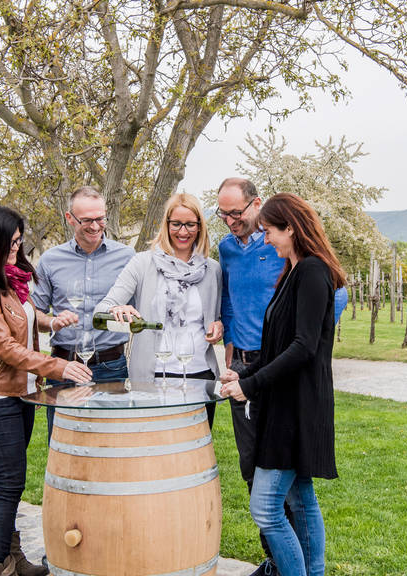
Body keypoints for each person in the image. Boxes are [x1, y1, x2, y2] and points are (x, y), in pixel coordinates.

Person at [216, 177, 347, 576]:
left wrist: (250, 384)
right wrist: (242, 372)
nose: (266, 239)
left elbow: (304, 346)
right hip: (282, 397)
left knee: (266, 508)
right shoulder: (292, 272)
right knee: (301, 498)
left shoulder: (312, 272)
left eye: (270, 232)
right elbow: (277, 344)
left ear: (289, 228)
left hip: (297, 403)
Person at [0, 205, 92, 576]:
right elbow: (5, 348)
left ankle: (11, 557)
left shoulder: (9, 278)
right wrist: (60, 366)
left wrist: (51, 321)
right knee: (10, 481)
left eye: (19, 240)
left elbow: (24, 319)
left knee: (4, 479)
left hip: (20, 394)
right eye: (11, 242)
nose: (17, 248)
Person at [95, 193, 223, 425]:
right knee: (154, 455)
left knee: (196, 455)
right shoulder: (142, 263)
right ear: (166, 224)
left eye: (190, 224)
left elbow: (218, 317)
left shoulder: (212, 269)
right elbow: (102, 308)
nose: (183, 232)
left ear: (200, 226)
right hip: (153, 379)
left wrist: (218, 325)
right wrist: (119, 310)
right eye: (176, 224)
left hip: (199, 377)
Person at [31, 186, 135, 442]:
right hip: (65, 367)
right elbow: (34, 316)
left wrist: (129, 312)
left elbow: (142, 311)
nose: (95, 226)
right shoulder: (50, 260)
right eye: (87, 220)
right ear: (70, 218)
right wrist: (53, 322)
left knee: (112, 448)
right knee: (65, 447)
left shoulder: (127, 257)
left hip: (112, 367)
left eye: (100, 219)